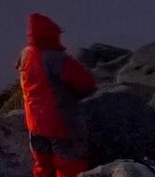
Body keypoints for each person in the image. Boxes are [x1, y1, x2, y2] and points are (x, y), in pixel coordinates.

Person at [18, 13, 98, 177]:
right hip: (60, 123)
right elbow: (86, 84)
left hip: (34, 124)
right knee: (70, 167)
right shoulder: (56, 59)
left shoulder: (25, 54)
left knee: (43, 167)